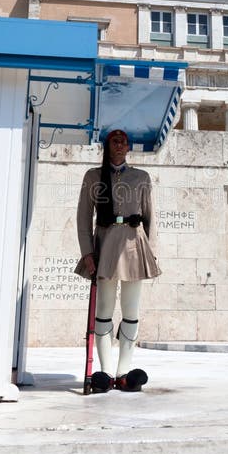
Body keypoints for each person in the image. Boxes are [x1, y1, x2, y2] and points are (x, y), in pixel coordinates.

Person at [74, 129, 159, 393]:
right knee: (105, 308)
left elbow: (150, 217)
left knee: (131, 309)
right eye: (115, 140)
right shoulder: (93, 177)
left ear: (129, 146)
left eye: (123, 141)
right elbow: (83, 217)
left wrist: (151, 252)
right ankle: (105, 370)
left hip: (134, 244)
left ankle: (124, 370)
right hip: (105, 244)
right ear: (107, 145)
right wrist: (87, 252)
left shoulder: (141, 177)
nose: (120, 144)